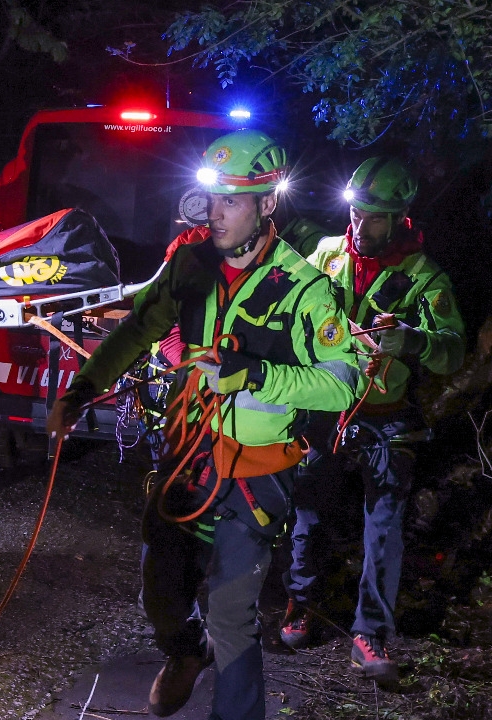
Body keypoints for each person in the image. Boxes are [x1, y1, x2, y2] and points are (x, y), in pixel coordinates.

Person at [48, 129, 360, 720]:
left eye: (231, 201)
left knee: (233, 614)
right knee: (160, 592)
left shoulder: (303, 289)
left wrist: (255, 375)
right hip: (188, 457)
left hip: (256, 471)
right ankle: (187, 652)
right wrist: (84, 388)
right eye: (212, 198)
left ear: (267, 204)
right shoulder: (190, 265)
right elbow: (139, 329)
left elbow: (341, 382)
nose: (214, 213)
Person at [280, 157, 465, 682]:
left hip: (386, 415)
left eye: (374, 218)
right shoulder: (327, 253)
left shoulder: (424, 276)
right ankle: (301, 604)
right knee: (308, 511)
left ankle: (371, 634)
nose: (360, 226)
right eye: (356, 213)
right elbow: (288, 307)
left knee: (384, 526)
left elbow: (453, 351)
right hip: (325, 408)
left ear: (400, 217)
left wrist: (411, 339)